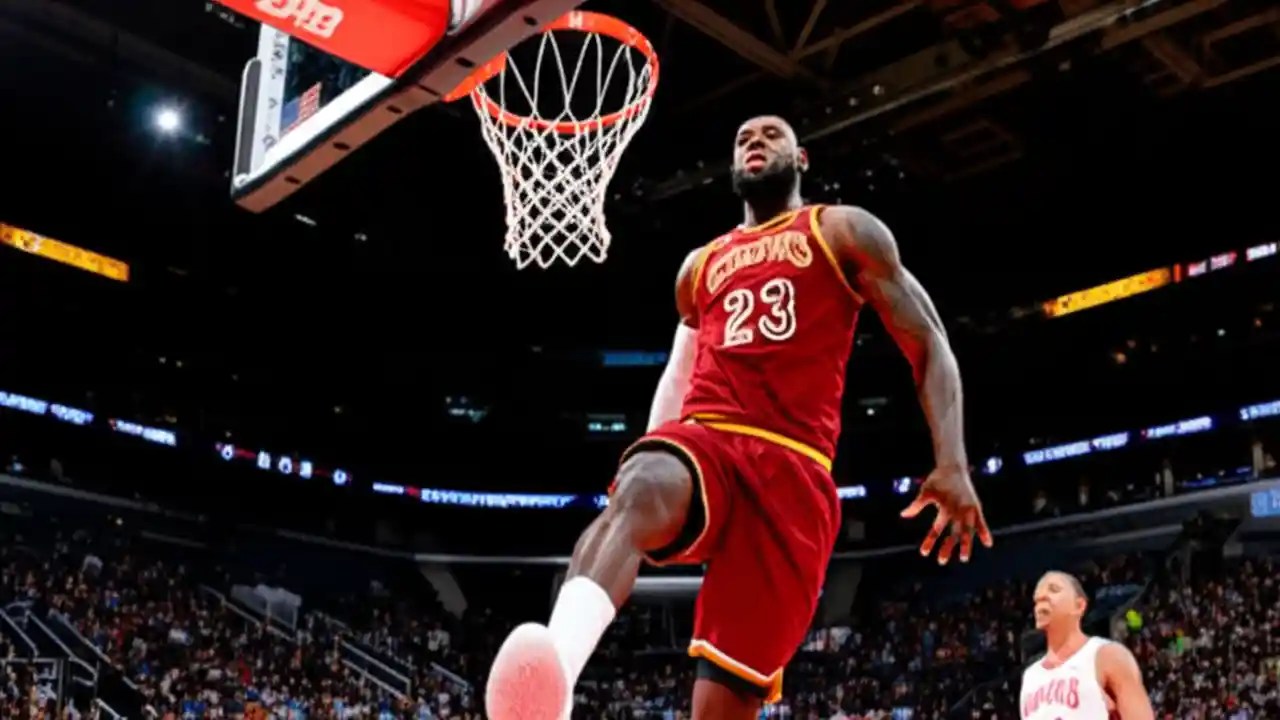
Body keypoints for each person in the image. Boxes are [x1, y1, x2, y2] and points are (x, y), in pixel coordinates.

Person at [484, 115, 993, 720]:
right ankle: (553, 681)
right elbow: (678, 373)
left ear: (800, 158)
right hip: (711, 441)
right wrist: (648, 455)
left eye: (771, 134)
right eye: (742, 137)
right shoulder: (700, 266)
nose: (754, 141)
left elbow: (929, 340)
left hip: (794, 470)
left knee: (722, 705)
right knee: (645, 484)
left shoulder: (841, 229)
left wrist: (953, 461)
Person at [1020, 571, 1154, 719]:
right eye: (1037, 598)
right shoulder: (1030, 676)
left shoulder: (1107, 655)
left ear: (1079, 605)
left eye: (1054, 589)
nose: (1042, 597)